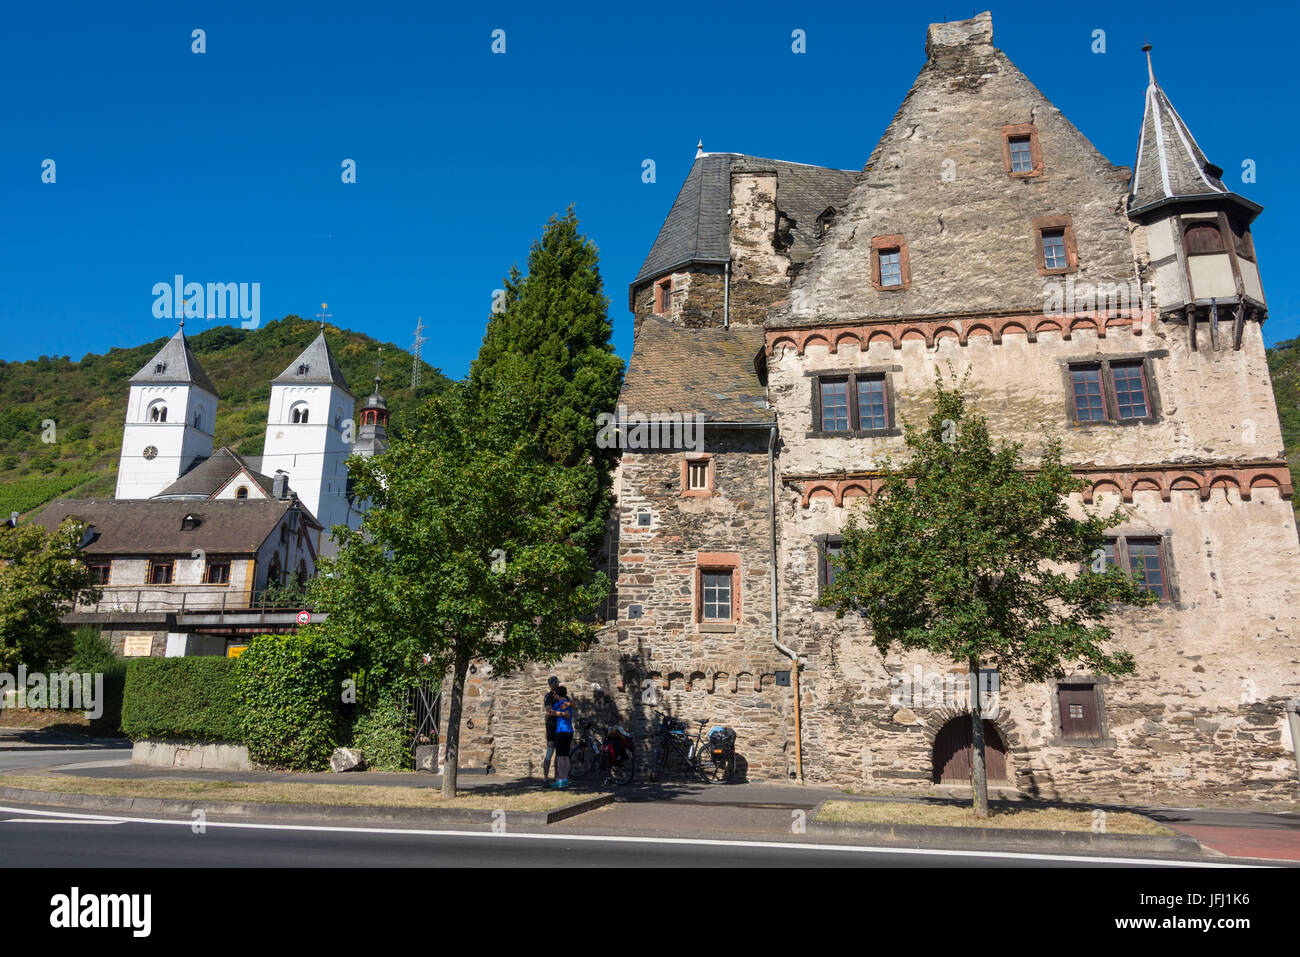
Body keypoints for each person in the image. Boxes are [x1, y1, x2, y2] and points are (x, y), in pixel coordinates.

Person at [548, 686, 574, 789]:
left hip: (561, 731)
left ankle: (560, 780)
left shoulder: (558, 704)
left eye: (554, 694)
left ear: (558, 694)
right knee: (565, 756)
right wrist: (562, 713)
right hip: (569, 731)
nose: (553, 695)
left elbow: (550, 712)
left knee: (560, 757)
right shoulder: (569, 703)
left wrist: (558, 713)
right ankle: (565, 779)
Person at [542, 676, 560, 783]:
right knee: (550, 751)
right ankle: (545, 777)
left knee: (558, 754)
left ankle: (556, 777)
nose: (557, 685)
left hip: (560, 726)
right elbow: (549, 711)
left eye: (557, 683)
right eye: (555, 684)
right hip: (552, 726)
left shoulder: (562, 696)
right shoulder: (548, 696)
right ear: (551, 685)